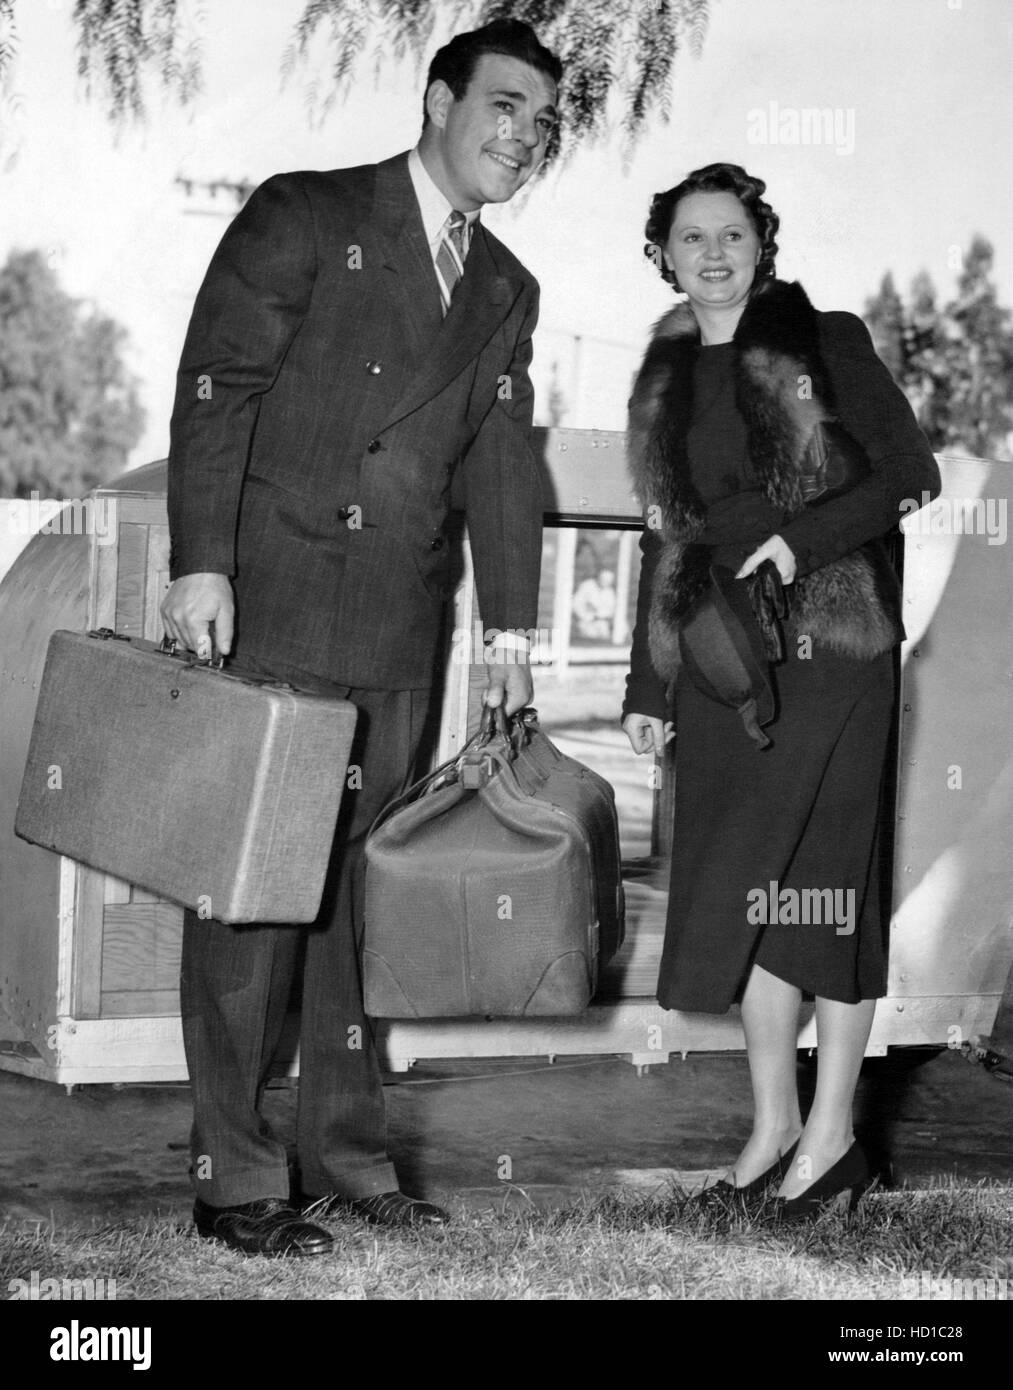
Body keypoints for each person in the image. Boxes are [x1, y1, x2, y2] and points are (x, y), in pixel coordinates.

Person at [160, 19, 561, 1257]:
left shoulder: (505, 290)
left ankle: (343, 1160)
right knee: (249, 904)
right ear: (437, 99)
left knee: (350, 907)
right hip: (272, 599)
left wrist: (506, 625)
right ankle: (232, 1180)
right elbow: (219, 384)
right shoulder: (304, 210)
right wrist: (201, 564)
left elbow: (499, 461)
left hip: (399, 626)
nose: (520, 138)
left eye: (539, 123)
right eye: (501, 106)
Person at [622, 163, 940, 1222]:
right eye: (689, 237)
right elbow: (666, 534)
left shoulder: (824, 340)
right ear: (662, 254)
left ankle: (834, 1136)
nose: (711, 253)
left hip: (833, 646)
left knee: (822, 890)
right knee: (750, 896)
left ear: (760, 244)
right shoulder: (663, 374)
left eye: (730, 234)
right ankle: (769, 1131)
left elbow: (906, 471)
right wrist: (644, 680)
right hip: (724, 659)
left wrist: (790, 546)